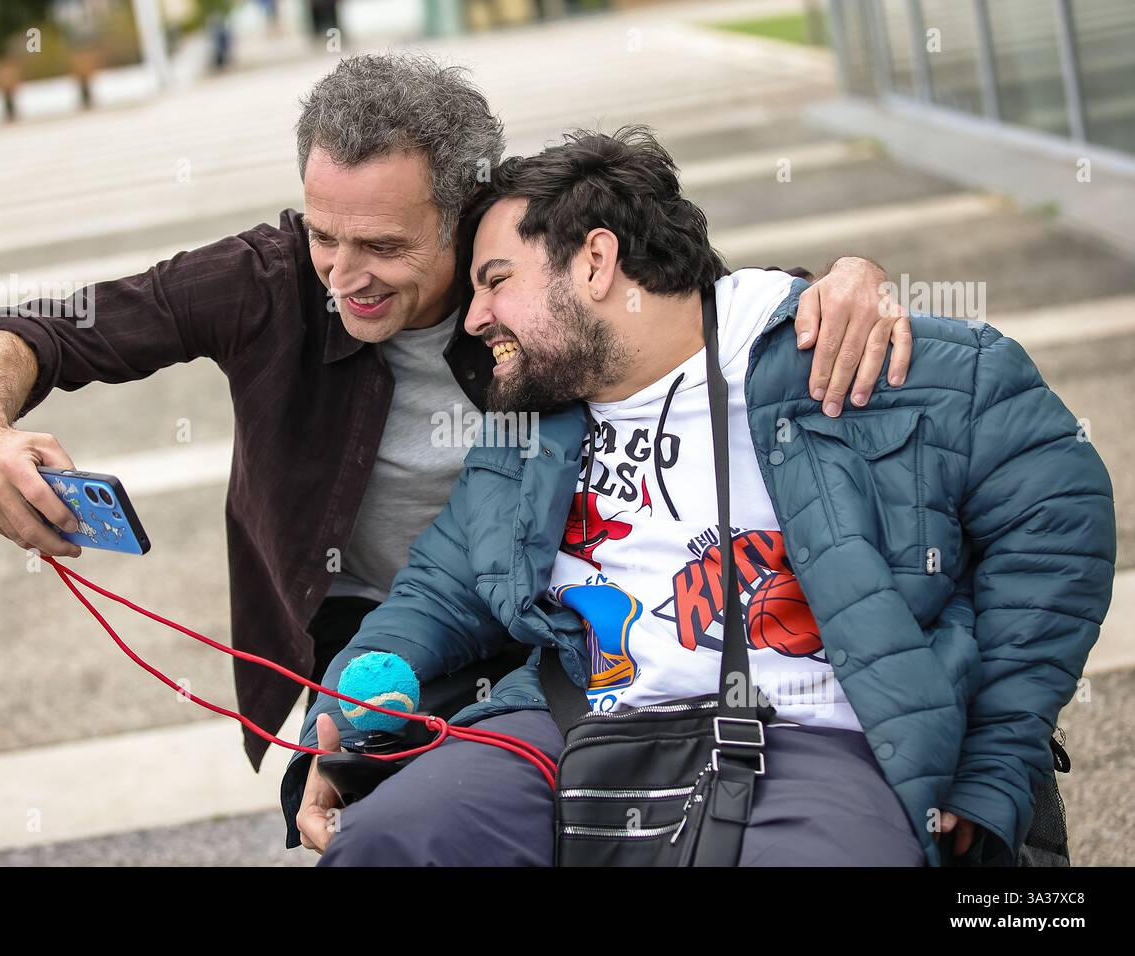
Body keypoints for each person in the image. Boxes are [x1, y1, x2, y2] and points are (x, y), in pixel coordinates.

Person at [0, 55, 912, 781]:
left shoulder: (534, 232)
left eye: (382, 244)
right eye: (324, 234)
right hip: (361, 645)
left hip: (563, 615)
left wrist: (843, 282)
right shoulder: (271, 280)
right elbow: (33, 331)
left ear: (465, 211)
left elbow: (702, 305)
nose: (343, 274)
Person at [285, 127, 1117, 866]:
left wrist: (998, 754)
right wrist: (353, 695)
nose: (476, 319)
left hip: (816, 736)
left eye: (496, 280)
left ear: (597, 261)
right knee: (389, 842)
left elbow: (1054, 518)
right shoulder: (532, 434)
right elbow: (440, 587)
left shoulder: (849, 351)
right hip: (572, 726)